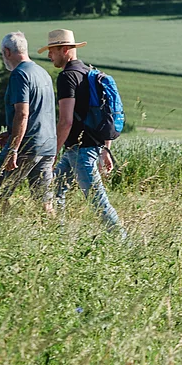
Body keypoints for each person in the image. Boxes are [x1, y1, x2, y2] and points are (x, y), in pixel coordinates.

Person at [40, 29, 126, 238]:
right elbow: (104, 114)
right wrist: (105, 148)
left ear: (66, 50)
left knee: (99, 203)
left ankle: (126, 245)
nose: (49, 55)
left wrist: (52, 153)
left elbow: (66, 121)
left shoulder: (67, 78)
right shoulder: (89, 74)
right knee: (56, 191)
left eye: (52, 50)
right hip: (86, 149)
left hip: (81, 151)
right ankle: (57, 239)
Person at [0, 32, 56, 213]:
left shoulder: (19, 75)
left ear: (7, 52)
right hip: (48, 146)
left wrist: (13, 148)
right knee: (43, 201)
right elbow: (39, 112)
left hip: (27, 145)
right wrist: (10, 133)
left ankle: (3, 230)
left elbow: (23, 114)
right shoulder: (43, 73)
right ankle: (54, 234)